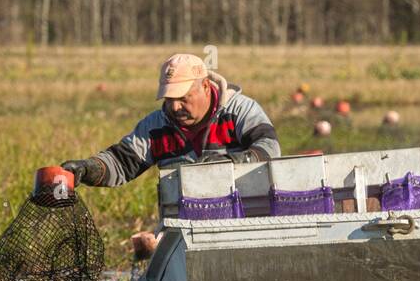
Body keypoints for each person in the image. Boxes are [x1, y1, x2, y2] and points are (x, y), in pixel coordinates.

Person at [60, 53, 281, 258]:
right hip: (183, 235)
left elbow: (269, 149)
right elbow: (121, 162)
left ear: (205, 86)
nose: (175, 107)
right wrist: (87, 168)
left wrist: (227, 165)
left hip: (245, 227)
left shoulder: (240, 111)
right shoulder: (156, 126)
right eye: (168, 99)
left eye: (183, 98)